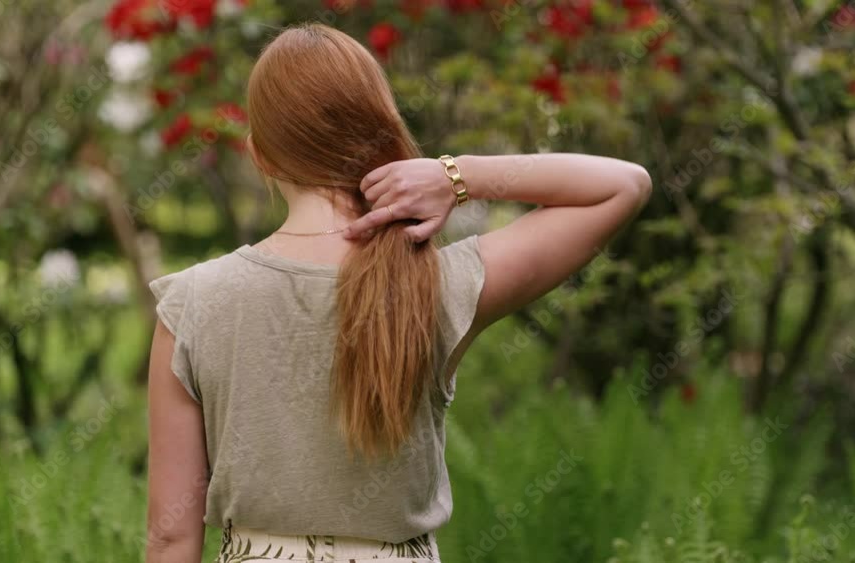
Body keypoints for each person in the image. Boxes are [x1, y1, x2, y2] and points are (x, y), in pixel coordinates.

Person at [145, 23, 651, 563]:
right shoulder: (436, 283)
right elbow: (623, 185)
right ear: (377, 133)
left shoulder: (191, 304)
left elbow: (171, 536)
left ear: (260, 155)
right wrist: (457, 176)